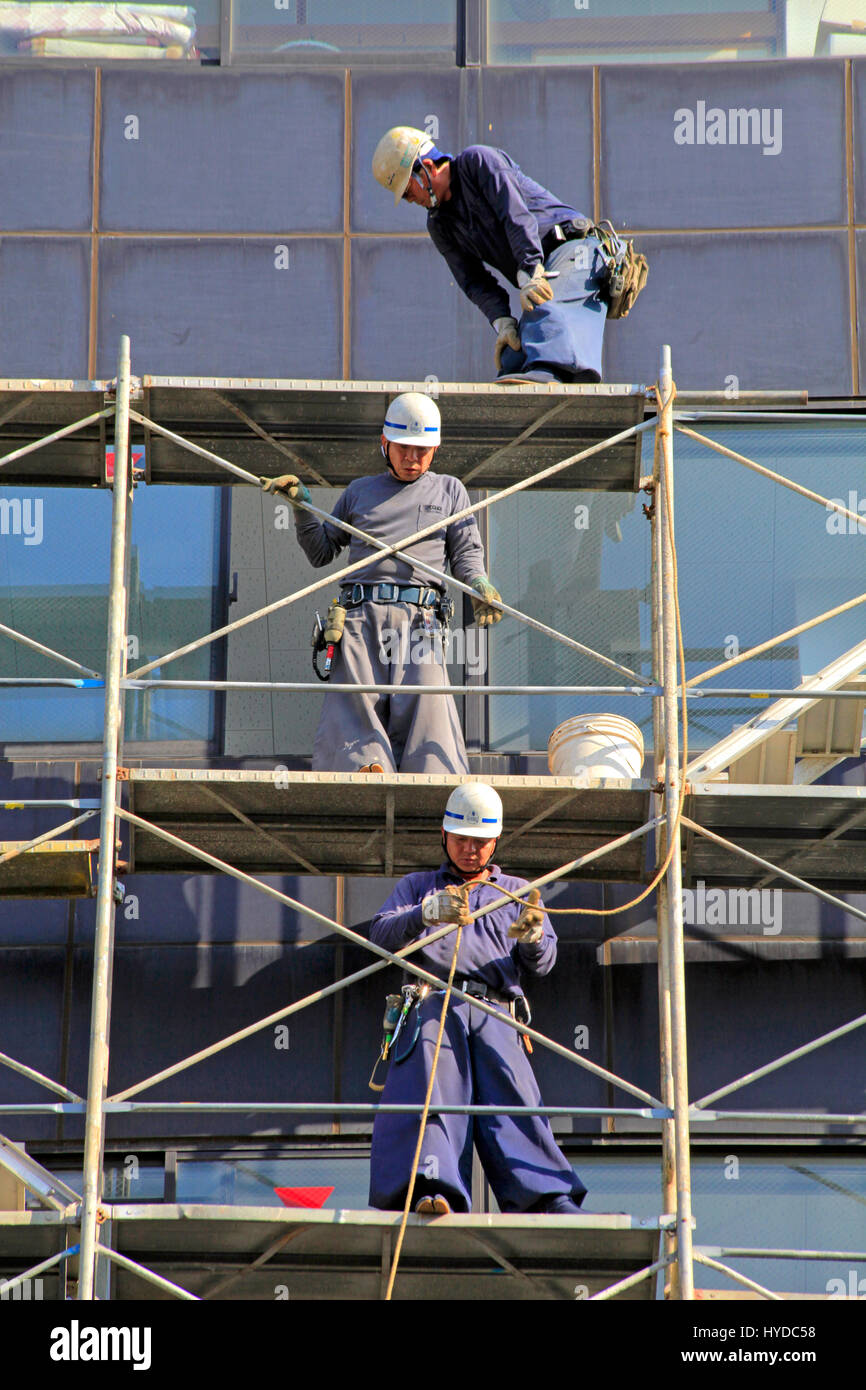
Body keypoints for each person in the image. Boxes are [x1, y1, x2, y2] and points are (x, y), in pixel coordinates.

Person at [368, 783, 586, 1216]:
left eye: (480, 842)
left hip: (495, 1009)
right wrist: (424, 914)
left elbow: (542, 965)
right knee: (432, 1094)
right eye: (462, 840)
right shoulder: (419, 886)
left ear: (495, 841)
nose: (470, 850)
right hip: (434, 1005)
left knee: (515, 1101)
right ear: (445, 837)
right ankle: (431, 1189)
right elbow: (381, 936)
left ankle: (545, 1200)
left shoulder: (517, 892)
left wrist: (534, 937)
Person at [261, 393, 502, 774]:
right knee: (356, 700)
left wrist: (479, 583)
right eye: (404, 449)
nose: (413, 459)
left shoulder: (450, 490)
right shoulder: (359, 492)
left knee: (427, 701)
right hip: (360, 617)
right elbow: (321, 552)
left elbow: (466, 552)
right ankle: (365, 766)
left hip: (420, 619)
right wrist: (302, 508)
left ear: (435, 449)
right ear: (385, 444)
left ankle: (432, 776)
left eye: (422, 451)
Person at [372, 125, 609, 386]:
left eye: (407, 190)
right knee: (513, 359)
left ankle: (551, 377)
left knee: (546, 316)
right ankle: (542, 378)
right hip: (541, 270)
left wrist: (530, 269)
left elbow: (516, 216)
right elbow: (473, 281)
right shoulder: (440, 225)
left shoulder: (478, 161)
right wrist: (503, 322)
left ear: (426, 167)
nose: (409, 200)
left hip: (576, 250)